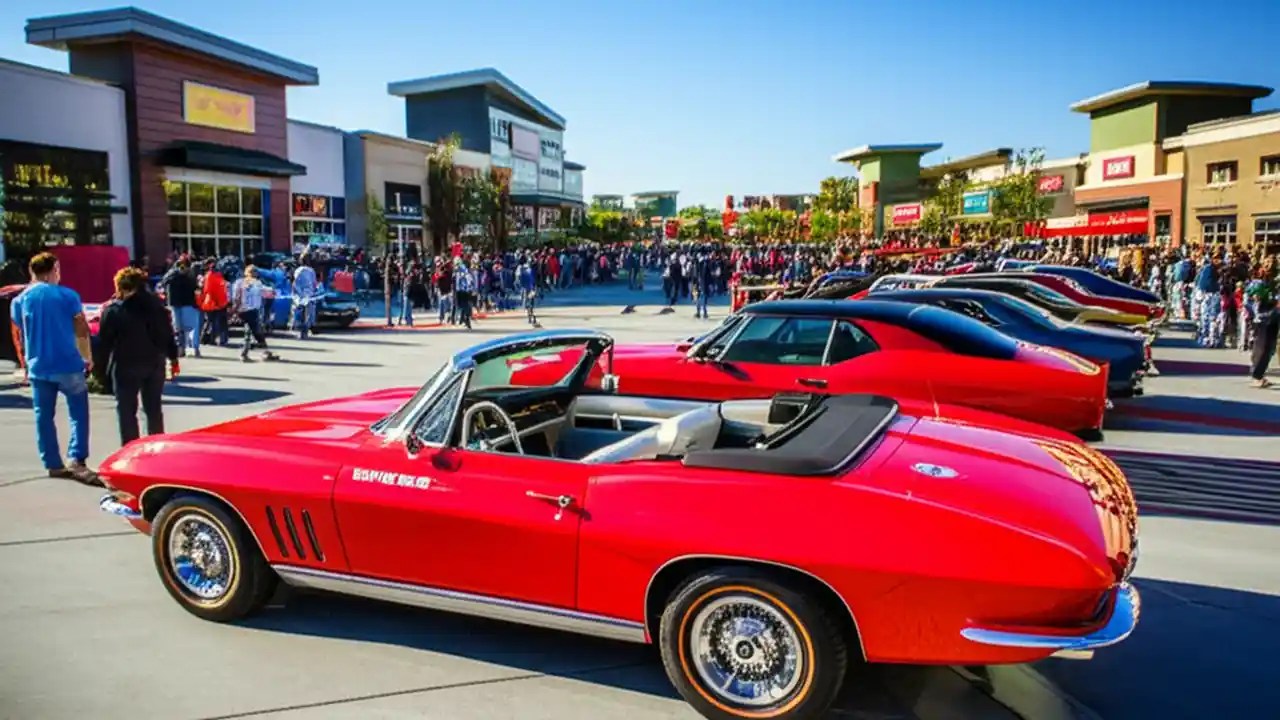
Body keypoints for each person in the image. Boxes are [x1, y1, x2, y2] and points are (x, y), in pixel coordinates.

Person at [9, 253, 98, 484]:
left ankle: (52, 462)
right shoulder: (67, 295)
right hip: (67, 362)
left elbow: (20, 327)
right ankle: (76, 458)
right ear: (54, 270)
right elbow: (80, 329)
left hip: (38, 365)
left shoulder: (19, 300)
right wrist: (87, 357)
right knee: (78, 412)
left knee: (43, 416)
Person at [93, 267, 179, 445]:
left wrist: (99, 370)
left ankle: (130, 447)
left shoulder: (115, 310)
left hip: (126, 364)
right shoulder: (157, 307)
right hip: (154, 363)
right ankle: (156, 445)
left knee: (126, 410)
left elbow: (104, 343)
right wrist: (173, 358)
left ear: (121, 287)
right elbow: (167, 334)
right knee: (154, 408)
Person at [231, 266, 279, 363]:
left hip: (244, 310)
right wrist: (273, 291)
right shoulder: (257, 283)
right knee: (257, 333)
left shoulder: (239, 282)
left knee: (249, 332)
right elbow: (266, 292)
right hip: (251, 311)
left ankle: (245, 353)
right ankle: (264, 352)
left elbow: (236, 297)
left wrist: (235, 310)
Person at [160, 257, 201, 357]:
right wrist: (175, 272)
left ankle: (192, 348)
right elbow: (164, 281)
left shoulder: (190, 275)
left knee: (189, 327)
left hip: (187, 303)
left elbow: (195, 286)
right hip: (176, 303)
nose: (183, 269)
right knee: (178, 328)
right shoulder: (172, 274)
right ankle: (181, 348)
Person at [197, 259, 230, 346]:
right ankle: (217, 339)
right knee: (217, 322)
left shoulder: (209, 276)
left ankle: (207, 339)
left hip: (212, 302)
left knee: (211, 321)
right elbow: (220, 290)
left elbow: (208, 290)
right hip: (218, 302)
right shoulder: (218, 276)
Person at [292, 259, 318, 339]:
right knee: (308, 314)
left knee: (299, 313)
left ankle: (300, 331)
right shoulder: (311, 271)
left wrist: (297, 293)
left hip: (300, 296)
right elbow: (314, 283)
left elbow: (295, 283)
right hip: (309, 295)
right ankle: (305, 332)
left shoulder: (298, 271)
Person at [454, 259, 475, 330]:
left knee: (464, 305)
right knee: (462, 305)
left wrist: (470, 287)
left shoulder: (463, 270)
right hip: (461, 290)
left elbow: (469, 279)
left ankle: (466, 319)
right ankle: (463, 320)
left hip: (463, 290)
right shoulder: (459, 270)